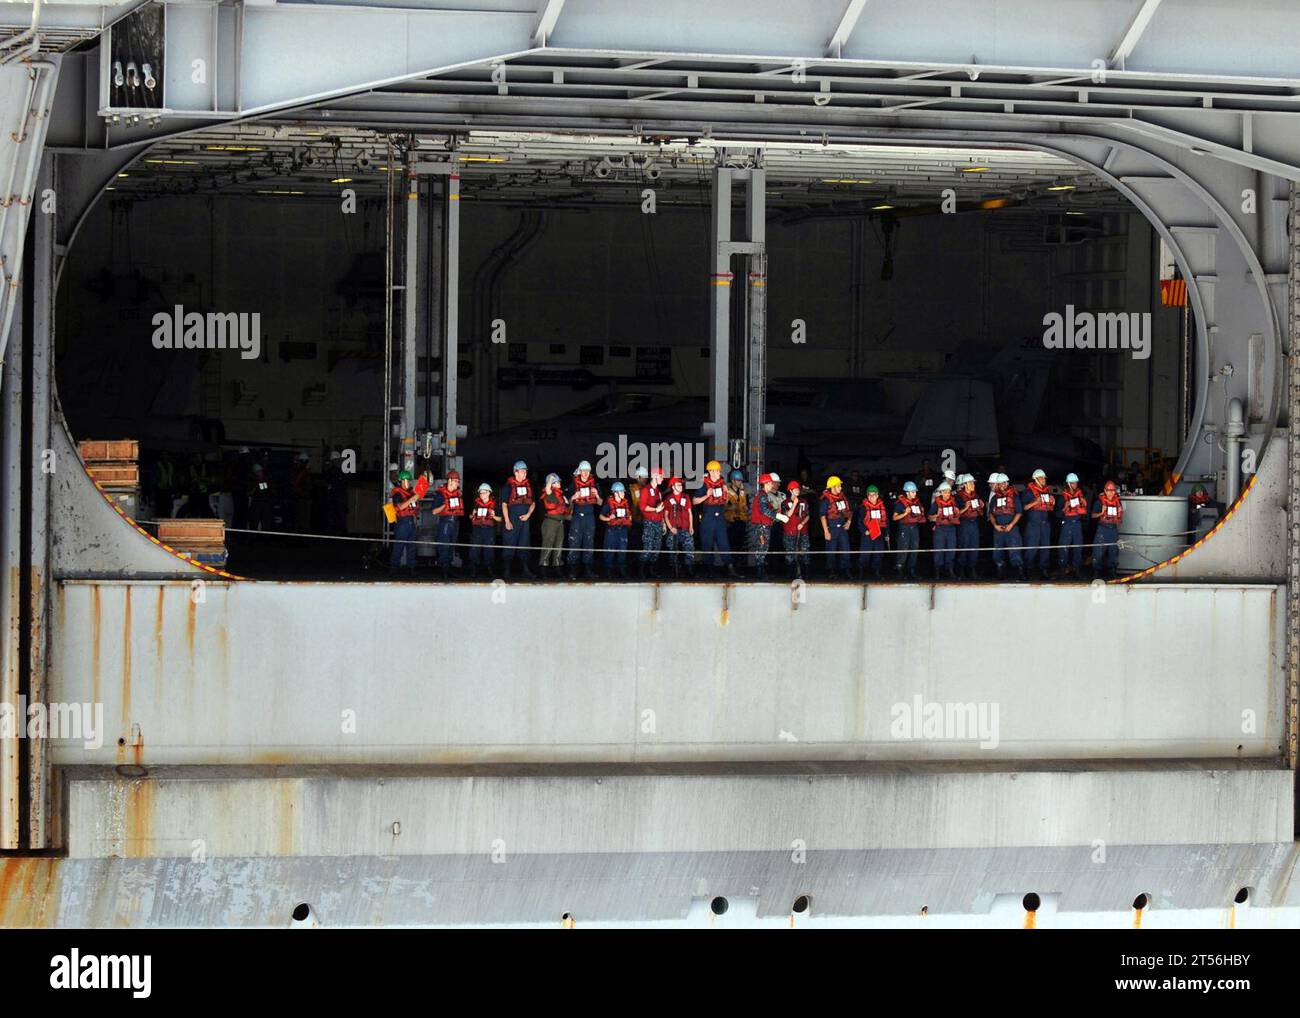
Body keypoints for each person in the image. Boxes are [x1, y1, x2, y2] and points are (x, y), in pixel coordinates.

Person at [693, 459, 735, 577]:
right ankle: (709, 570)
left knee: (724, 543)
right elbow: (694, 501)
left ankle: (730, 567)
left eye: (718, 471)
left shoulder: (722, 484)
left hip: (720, 517)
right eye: (716, 471)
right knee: (707, 543)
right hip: (708, 518)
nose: (718, 473)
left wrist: (726, 495)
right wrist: (707, 495)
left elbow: (725, 502)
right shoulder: (704, 485)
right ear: (710, 472)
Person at [500, 460, 536, 580]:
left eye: (525, 471)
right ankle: (507, 570)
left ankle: (525, 569)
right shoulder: (508, 487)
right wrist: (507, 521)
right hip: (512, 520)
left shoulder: (528, 487)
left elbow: (533, 503)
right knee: (509, 544)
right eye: (522, 471)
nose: (524, 473)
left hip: (525, 521)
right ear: (516, 472)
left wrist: (528, 515)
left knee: (524, 544)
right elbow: (504, 505)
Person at [987, 472, 1025, 581]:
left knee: (1015, 550)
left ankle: (1020, 573)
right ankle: (1000, 573)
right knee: (997, 552)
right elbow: (991, 514)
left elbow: (1019, 512)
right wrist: (995, 525)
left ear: (1007, 483)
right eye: (999, 483)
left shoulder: (1014, 495)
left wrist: (1011, 525)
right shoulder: (994, 498)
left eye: (1004, 482)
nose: (1002, 485)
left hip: (1011, 529)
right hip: (998, 529)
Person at [567, 460, 602, 580]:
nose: (585, 473)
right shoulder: (573, 486)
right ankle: (572, 570)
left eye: (588, 471)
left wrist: (597, 495)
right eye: (583, 470)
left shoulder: (595, 486)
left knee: (589, 543)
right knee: (574, 542)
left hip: (589, 517)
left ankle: (588, 569)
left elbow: (600, 503)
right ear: (580, 471)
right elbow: (567, 506)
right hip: (577, 517)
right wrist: (573, 497)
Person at [429, 469, 465, 580]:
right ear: (449, 481)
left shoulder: (458, 493)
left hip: (455, 523)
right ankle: (444, 571)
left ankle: (449, 569)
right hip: (445, 523)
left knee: (451, 547)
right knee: (444, 546)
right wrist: (445, 505)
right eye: (456, 481)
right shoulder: (440, 494)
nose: (458, 483)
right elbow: (434, 511)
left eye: (458, 481)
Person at [1021, 468, 1055, 579]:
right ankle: (1028, 569)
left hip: (1045, 524)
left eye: (1044, 478)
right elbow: (1024, 508)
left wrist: (1052, 502)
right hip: (1033, 524)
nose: (1044, 479)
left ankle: (1044, 569)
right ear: (1035, 479)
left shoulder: (1047, 492)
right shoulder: (1028, 492)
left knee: (1045, 547)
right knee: (1031, 548)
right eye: (1041, 478)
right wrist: (1035, 502)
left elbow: (1050, 509)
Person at [747, 473, 781, 579]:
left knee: (763, 548)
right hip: (762, 526)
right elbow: (765, 510)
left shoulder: (763, 495)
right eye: (770, 483)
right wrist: (777, 516)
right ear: (765, 484)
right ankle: (760, 574)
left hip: (764, 525)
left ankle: (761, 572)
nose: (772, 485)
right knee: (762, 548)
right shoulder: (762, 495)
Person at [819, 475, 853, 579]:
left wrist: (849, 521)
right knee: (831, 551)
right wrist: (826, 531)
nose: (840, 488)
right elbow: (822, 516)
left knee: (845, 550)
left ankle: (845, 570)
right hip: (832, 528)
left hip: (842, 528)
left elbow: (849, 511)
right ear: (832, 487)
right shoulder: (826, 500)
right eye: (838, 486)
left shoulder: (842, 497)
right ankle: (831, 571)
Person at [389, 469, 421, 576]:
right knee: (399, 546)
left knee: (411, 547)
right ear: (401, 481)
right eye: (404, 481)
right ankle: (394, 568)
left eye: (408, 481)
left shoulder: (411, 492)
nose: (407, 483)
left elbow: (415, 507)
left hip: (411, 522)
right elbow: (400, 507)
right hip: (402, 523)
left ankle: (412, 568)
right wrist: (412, 499)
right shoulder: (397, 493)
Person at [599, 481, 634, 579]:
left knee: (622, 551)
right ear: (615, 492)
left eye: (623, 491)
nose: (623, 493)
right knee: (609, 550)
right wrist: (608, 519)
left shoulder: (625, 503)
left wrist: (629, 517)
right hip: (612, 530)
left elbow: (629, 515)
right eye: (621, 491)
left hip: (623, 530)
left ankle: (622, 570)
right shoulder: (608, 504)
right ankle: (608, 571)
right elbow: (601, 516)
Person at [1056, 472, 1088, 578]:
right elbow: (1057, 514)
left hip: (1077, 524)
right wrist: (1065, 507)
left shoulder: (1080, 496)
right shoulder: (1062, 497)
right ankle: (1062, 568)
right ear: (1068, 484)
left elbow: (1085, 511)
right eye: (1073, 483)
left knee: (1077, 546)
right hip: (1067, 524)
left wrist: (1084, 504)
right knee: (1063, 547)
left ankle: (1077, 569)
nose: (1075, 485)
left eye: (1076, 483)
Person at [892, 480, 925, 580]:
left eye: (915, 491)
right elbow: (894, 518)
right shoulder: (900, 504)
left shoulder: (917, 502)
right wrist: (905, 513)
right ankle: (900, 571)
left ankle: (911, 571)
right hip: (904, 528)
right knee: (903, 550)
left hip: (914, 528)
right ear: (907, 492)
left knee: (914, 549)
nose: (915, 493)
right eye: (913, 492)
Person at [664, 476, 696, 578]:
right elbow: (665, 515)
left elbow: (690, 512)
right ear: (673, 487)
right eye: (678, 485)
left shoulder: (686, 497)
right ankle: (674, 569)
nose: (681, 486)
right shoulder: (669, 499)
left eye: (681, 485)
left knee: (689, 549)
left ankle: (689, 569)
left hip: (685, 528)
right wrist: (670, 528)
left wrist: (691, 526)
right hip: (673, 530)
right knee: (672, 550)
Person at [1091, 479, 1124, 579]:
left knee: (1113, 551)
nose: (1111, 493)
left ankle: (1112, 571)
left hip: (1113, 529)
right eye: (1108, 490)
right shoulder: (1099, 502)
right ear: (1105, 491)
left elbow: (1120, 521)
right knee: (1098, 551)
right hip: (1102, 529)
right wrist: (1101, 513)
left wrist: (1120, 515)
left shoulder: (1118, 502)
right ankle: (1096, 572)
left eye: (1113, 490)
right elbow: (1092, 515)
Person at [539, 474, 570, 579]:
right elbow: (547, 489)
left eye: (558, 481)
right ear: (552, 484)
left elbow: (567, 509)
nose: (559, 483)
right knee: (548, 545)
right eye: (556, 482)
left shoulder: (561, 495)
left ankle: (557, 567)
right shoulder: (549, 493)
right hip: (550, 522)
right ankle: (543, 568)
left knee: (559, 546)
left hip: (560, 523)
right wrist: (551, 479)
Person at [637, 467, 666, 579]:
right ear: (654, 476)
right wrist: (655, 510)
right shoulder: (645, 490)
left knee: (656, 548)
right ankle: (641, 571)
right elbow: (642, 507)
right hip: (649, 522)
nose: (662, 479)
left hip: (658, 522)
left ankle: (651, 570)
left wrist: (663, 522)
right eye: (661, 476)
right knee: (648, 547)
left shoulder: (658, 492)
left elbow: (661, 508)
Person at [468, 482, 501, 578]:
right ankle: (474, 569)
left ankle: (489, 568)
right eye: (481, 493)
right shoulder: (476, 504)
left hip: (489, 530)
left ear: (489, 493)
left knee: (489, 550)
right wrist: (472, 515)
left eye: (484, 492)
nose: (482, 495)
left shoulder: (494, 505)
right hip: (477, 530)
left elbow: (501, 519)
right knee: (474, 549)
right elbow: (470, 517)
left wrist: (494, 516)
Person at [929, 480, 960, 580]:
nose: (947, 494)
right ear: (941, 492)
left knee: (951, 549)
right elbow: (929, 517)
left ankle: (950, 570)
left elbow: (958, 515)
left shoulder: (954, 502)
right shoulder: (936, 504)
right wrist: (935, 516)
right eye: (945, 492)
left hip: (951, 528)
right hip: (940, 529)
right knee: (939, 550)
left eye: (948, 492)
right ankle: (937, 571)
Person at [955, 474, 984, 579]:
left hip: (974, 523)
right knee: (964, 546)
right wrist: (966, 507)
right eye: (970, 482)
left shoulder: (976, 496)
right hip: (964, 524)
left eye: (973, 482)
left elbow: (981, 513)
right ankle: (961, 571)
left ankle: (972, 570)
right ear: (965, 485)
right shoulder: (958, 497)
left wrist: (981, 507)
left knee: (974, 547)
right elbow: (955, 514)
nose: (973, 485)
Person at [858, 485, 890, 579]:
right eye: (869, 495)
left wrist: (887, 534)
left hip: (879, 534)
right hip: (868, 534)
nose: (871, 497)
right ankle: (862, 571)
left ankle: (877, 572)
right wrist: (864, 531)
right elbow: (859, 522)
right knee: (865, 554)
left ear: (877, 495)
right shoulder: (863, 508)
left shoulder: (882, 507)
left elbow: (886, 521)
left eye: (873, 495)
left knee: (878, 553)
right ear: (867, 496)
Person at [782, 480, 811, 578]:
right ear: (790, 490)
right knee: (790, 554)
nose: (798, 490)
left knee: (804, 552)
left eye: (798, 489)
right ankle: (790, 574)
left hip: (803, 531)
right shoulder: (785, 503)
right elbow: (787, 515)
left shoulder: (804, 502)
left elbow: (807, 516)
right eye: (795, 489)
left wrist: (802, 523)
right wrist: (795, 503)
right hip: (789, 532)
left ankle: (805, 574)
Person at [725, 469, 749, 556]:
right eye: (738, 480)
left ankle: (738, 564)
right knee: (731, 546)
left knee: (740, 546)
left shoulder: (743, 492)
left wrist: (746, 508)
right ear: (732, 481)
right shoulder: (726, 492)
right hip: (731, 523)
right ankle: (731, 565)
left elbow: (746, 505)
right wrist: (731, 507)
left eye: (741, 480)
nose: (740, 482)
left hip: (741, 522)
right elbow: (721, 507)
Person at [248, 463, 273, 532]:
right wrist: (256, 484)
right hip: (256, 504)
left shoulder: (267, 480)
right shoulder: (252, 481)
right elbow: (250, 493)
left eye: (260, 471)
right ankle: (252, 537)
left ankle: (265, 538)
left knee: (266, 522)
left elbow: (268, 491)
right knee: (254, 523)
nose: (260, 473)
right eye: (258, 472)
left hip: (265, 504)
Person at [292, 453, 313, 532]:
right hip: (302, 498)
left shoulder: (302, 471)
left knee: (300, 518)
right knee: (302, 518)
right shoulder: (302, 472)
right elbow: (296, 485)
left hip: (302, 498)